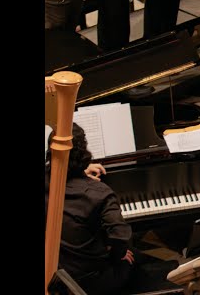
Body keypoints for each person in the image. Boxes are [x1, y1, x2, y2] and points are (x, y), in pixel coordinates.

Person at [46, 123, 135, 294]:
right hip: (91, 281)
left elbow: (55, 168)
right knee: (133, 255)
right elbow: (120, 236)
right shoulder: (99, 193)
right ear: (84, 152)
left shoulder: (46, 181)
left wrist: (76, 170)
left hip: (55, 274)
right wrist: (119, 255)